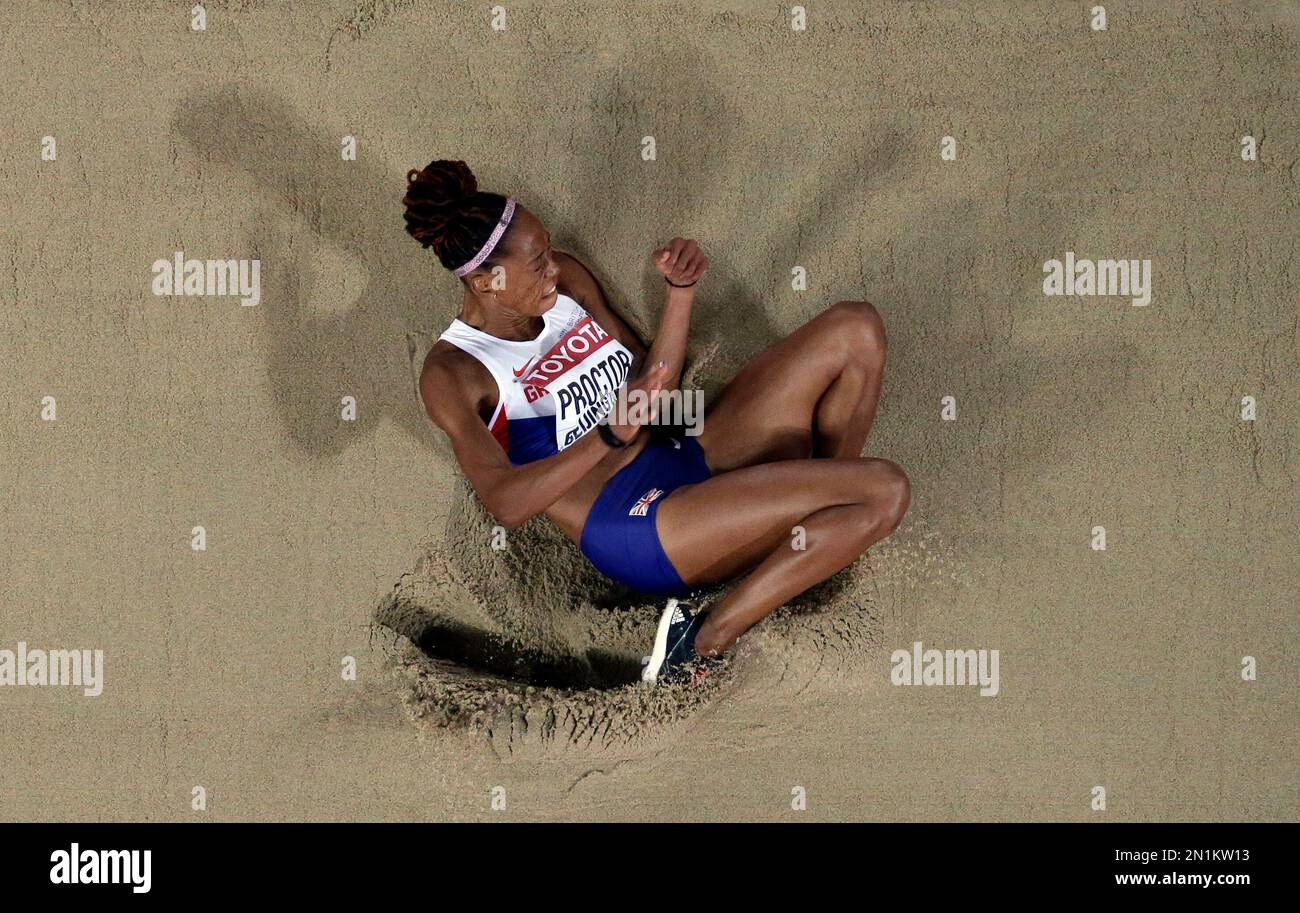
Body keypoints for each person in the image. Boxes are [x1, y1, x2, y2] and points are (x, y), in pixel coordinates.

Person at [404, 160, 910, 684]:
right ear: (487, 281)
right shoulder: (456, 371)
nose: (552, 268)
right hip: (637, 524)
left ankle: (810, 541)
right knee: (885, 491)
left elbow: (654, 380)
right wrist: (606, 436)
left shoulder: (567, 284)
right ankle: (703, 638)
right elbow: (505, 504)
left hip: (685, 450)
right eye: (536, 264)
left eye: (548, 250)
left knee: (856, 328)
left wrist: (680, 291)